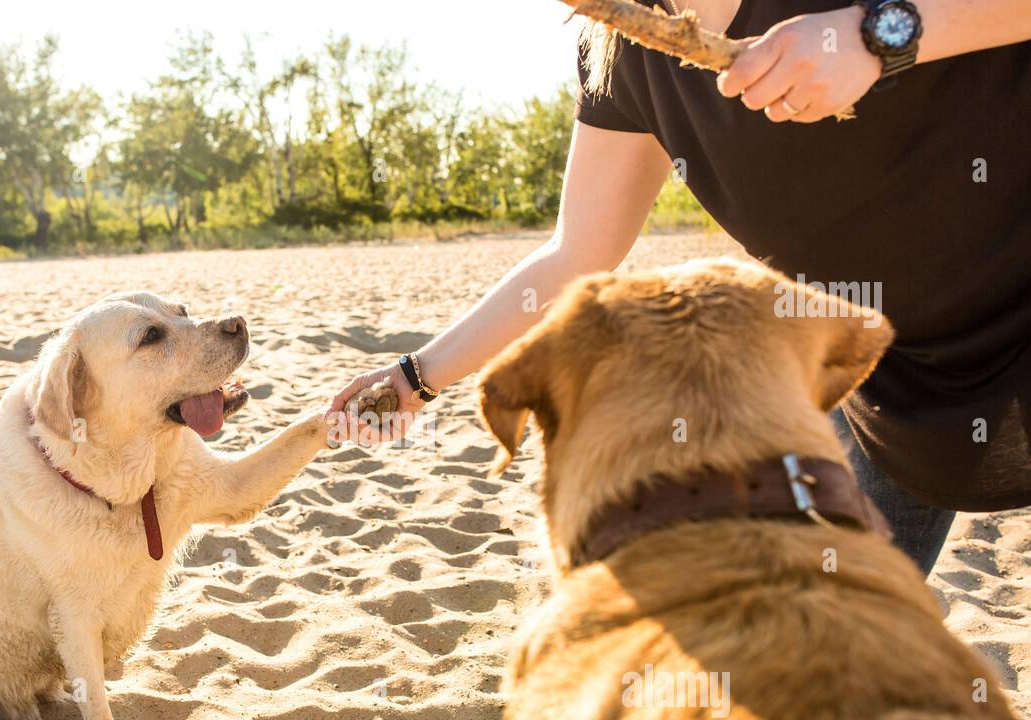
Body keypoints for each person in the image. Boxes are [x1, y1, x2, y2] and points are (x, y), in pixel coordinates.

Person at [329, 0, 1031, 577]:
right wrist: (415, 377)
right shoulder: (622, 53)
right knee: (811, 629)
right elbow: (578, 252)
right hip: (888, 374)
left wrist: (880, 33)